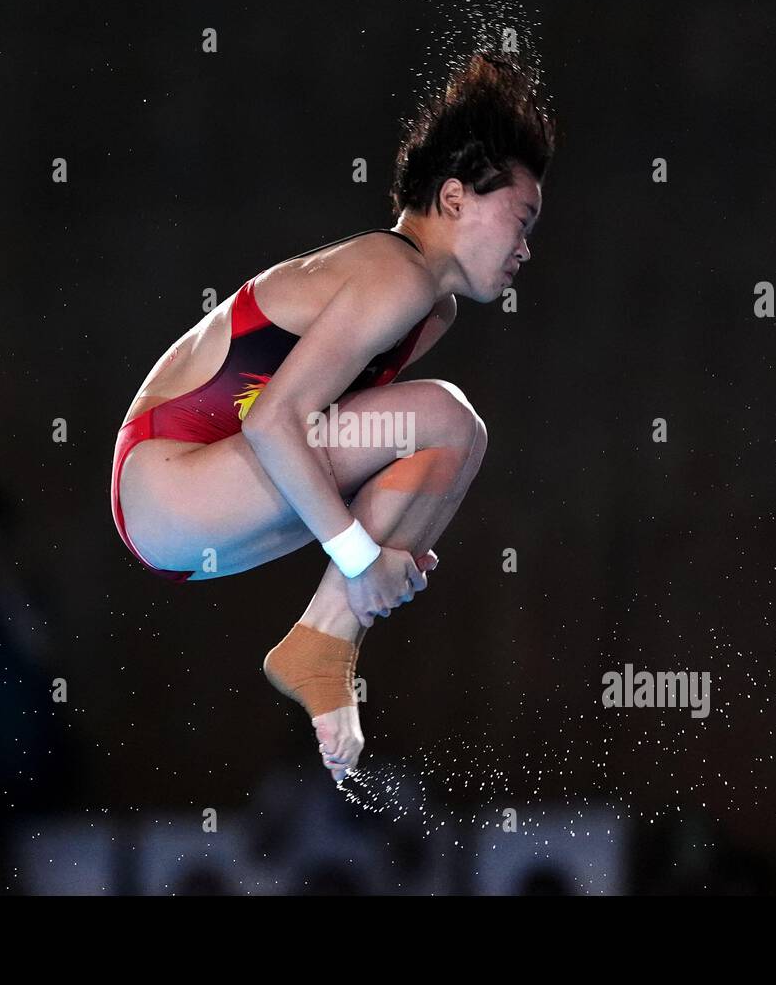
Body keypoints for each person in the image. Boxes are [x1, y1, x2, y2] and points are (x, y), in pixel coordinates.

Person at [110, 52, 556, 780]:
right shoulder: (397, 274)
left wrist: (397, 526)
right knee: (448, 418)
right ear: (453, 198)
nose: (526, 249)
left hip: (197, 512)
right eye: (521, 218)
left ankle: (322, 642)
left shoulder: (431, 309)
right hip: (165, 480)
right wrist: (359, 555)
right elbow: (271, 423)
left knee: (445, 444)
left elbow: (339, 438)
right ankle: (324, 643)